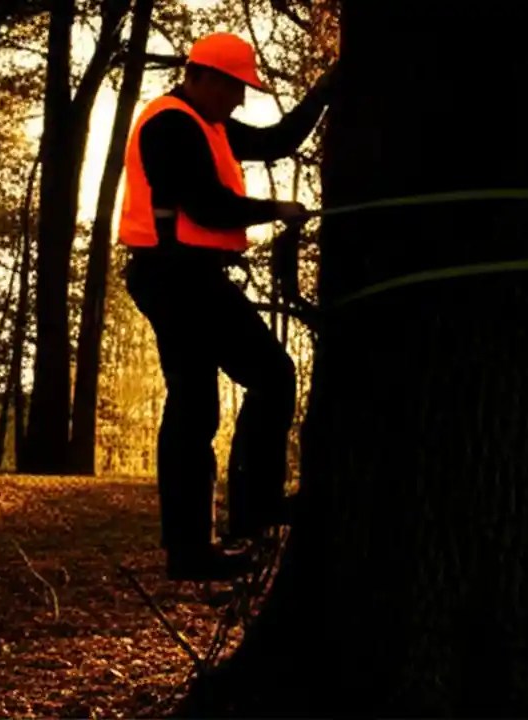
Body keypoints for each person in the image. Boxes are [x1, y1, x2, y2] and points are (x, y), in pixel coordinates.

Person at [118, 32, 337, 581]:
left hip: (187, 274)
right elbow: (208, 207)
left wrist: (327, 89)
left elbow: (278, 140)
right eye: (235, 89)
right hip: (174, 275)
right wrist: (276, 209)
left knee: (213, 398)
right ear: (204, 78)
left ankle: (224, 528)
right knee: (246, 385)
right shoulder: (171, 124)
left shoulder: (206, 123)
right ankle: (217, 532)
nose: (240, 100)